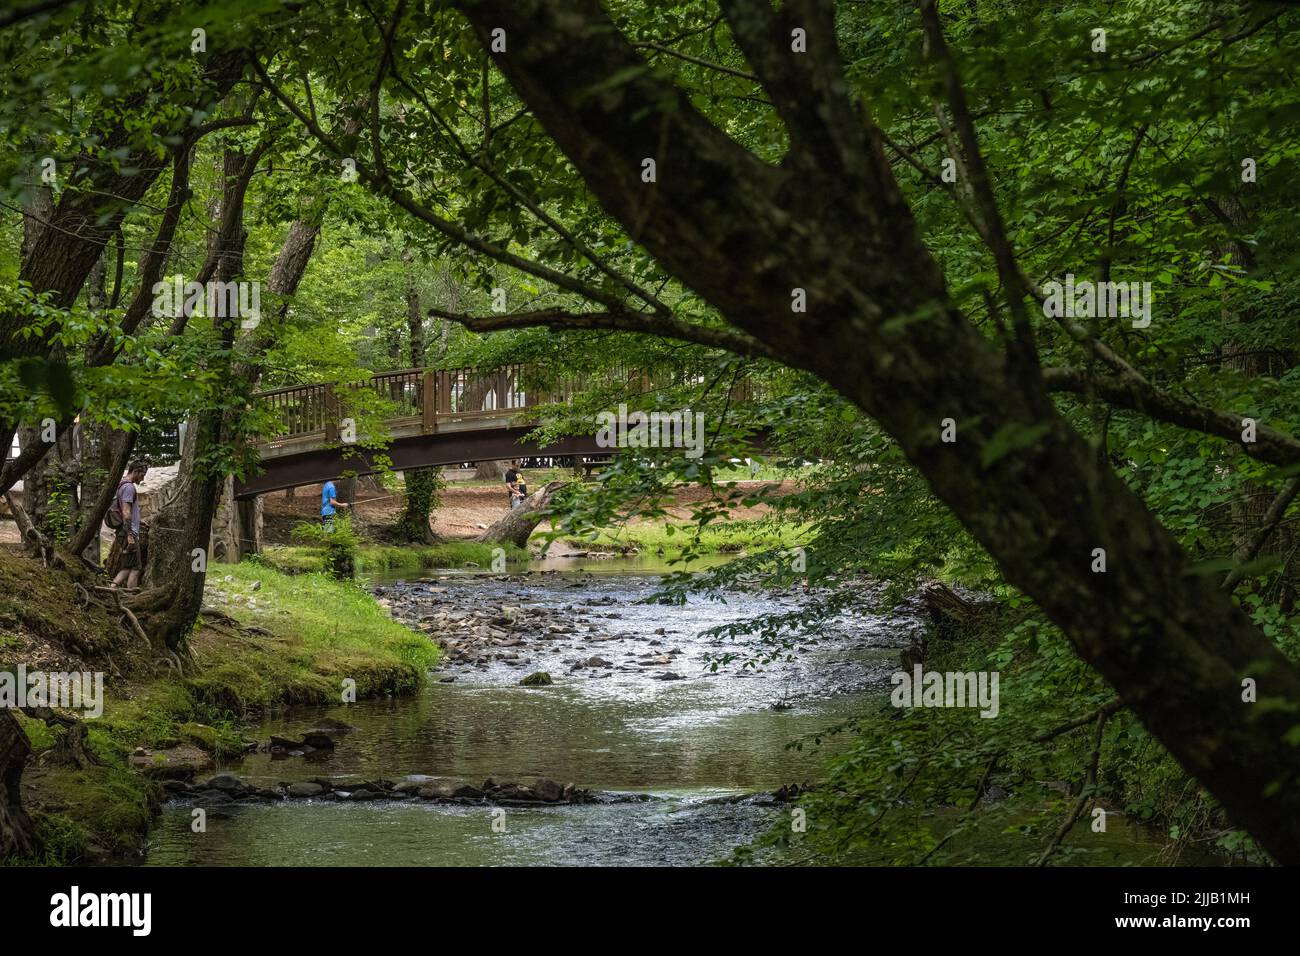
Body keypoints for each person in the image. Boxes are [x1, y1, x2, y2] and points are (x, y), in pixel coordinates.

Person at [111, 461, 148, 589]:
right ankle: (131, 597)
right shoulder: (129, 488)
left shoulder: (121, 485)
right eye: (142, 475)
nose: (143, 478)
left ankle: (111, 589)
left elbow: (124, 510)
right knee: (136, 569)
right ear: (135, 472)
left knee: (127, 567)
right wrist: (130, 535)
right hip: (128, 533)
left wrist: (138, 521)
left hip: (123, 531)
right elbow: (126, 512)